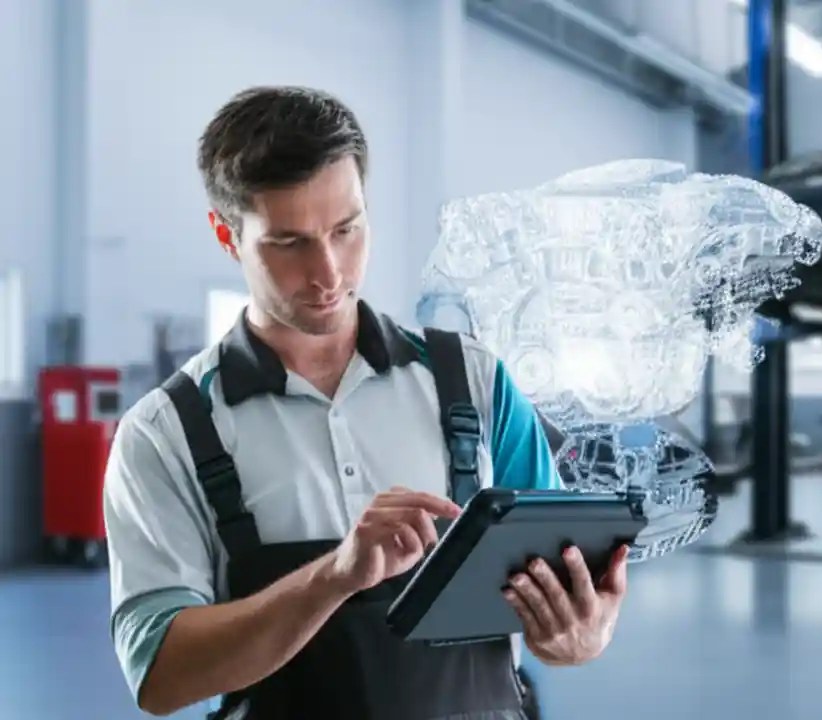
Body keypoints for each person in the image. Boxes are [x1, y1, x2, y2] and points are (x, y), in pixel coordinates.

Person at [104, 85, 629, 719]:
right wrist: (335, 576)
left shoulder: (476, 383)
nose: (329, 273)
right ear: (226, 233)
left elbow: (571, 609)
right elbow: (160, 676)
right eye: (289, 242)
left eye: (346, 229)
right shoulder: (165, 434)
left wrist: (580, 635)